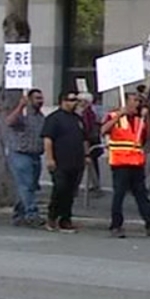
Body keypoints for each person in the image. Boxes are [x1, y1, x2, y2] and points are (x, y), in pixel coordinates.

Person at [100, 94, 150, 239]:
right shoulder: (114, 115)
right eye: (135, 101)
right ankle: (116, 225)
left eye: (139, 101)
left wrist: (147, 118)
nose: (137, 104)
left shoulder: (139, 120)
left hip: (136, 162)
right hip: (120, 162)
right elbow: (104, 130)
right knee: (119, 195)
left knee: (141, 194)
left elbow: (147, 136)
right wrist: (120, 114)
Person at [40, 91, 88, 233]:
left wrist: (86, 155)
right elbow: (48, 139)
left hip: (76, 161)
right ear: (63, 101)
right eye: (71, 100)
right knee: (60, 189)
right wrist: (49, 158)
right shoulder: (54, 118)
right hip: (60, 161)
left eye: (76, 100)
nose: (74, 103)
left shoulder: (77, 119)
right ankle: (52, 217)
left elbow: (84, 138)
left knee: (71, 192)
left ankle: (65, 219)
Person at [4, 88, 47, 227]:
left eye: (41, 98)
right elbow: (9, 122)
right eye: (37, 98)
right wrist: (20, 106)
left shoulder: (41, 117)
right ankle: (32, 214)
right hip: (20, 154)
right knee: (26, 184)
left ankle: (19, 214)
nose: (40, 101)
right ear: (29, 99)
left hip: (35, 155)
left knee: (30, 186)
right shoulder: (22, 115)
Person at [78, 92, 104, 195]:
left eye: (81, 101)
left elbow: (87, 127)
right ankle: (96, 185)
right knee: (90, 164)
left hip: (89, 141)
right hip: (91, 140)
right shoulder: (89, 112)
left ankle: (96, 186)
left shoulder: (87, 113)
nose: (79, 103)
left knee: (87, 163)